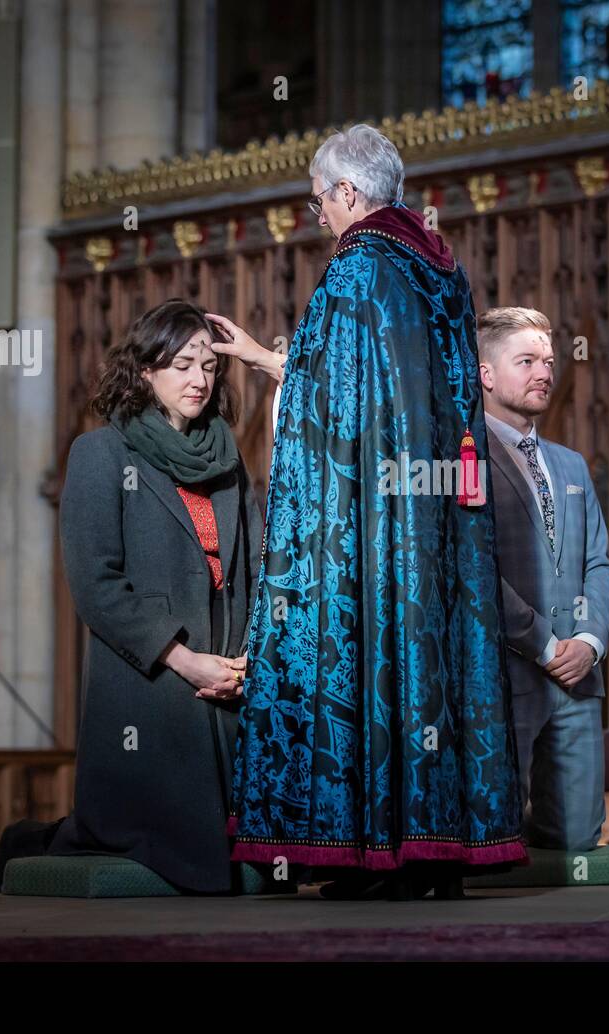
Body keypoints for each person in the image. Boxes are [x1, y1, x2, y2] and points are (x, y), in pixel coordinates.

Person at [209, 125, 526, 900]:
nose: (318, 214)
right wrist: (266, 357)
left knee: (361, 643)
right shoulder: (439, 270)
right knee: (428, 662)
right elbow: (398, 391)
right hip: (434, 521)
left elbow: (332, 408)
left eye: (320, 199)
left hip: (374, 522)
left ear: (348, 193)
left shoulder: (356, 267)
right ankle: (429, 849)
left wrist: (284, 386)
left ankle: (372, 849)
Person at [37, 298, 264, 893]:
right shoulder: (100, 453)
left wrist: (244, 661)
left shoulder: (226, 459)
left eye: (209, 367)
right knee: (186, 855)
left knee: (253, 868)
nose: (199, 379)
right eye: (183, 365)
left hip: (226, 680)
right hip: (152, 686)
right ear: (146, 372)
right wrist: (185, 661)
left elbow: (258, 571)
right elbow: (96, 586)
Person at [477, 306, 609, 851]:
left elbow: (598, 562)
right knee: (497, 833)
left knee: (577, 837)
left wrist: (589, 641)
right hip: (509, 671)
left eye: (549, 361)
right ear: (485, 373)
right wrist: (541, 642)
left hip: (577, 674)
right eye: (527, 360)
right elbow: (473, 570)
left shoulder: (571, 465)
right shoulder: (465, 459)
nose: (545, 373)